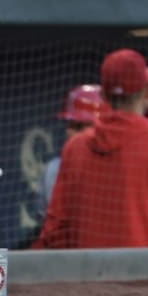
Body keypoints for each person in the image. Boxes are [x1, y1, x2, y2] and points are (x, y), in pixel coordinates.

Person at [35, 49, 148, 249]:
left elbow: (55, 232)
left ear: (103, 94)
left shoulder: (75, 148)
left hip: (89, 268)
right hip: (144, 269)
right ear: (147, 92)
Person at [40, 84, 105, 212]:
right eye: (69, 125)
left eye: (79, 126)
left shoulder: (118, 167)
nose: (69, 132)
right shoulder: (54, 169)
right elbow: (45, 216)